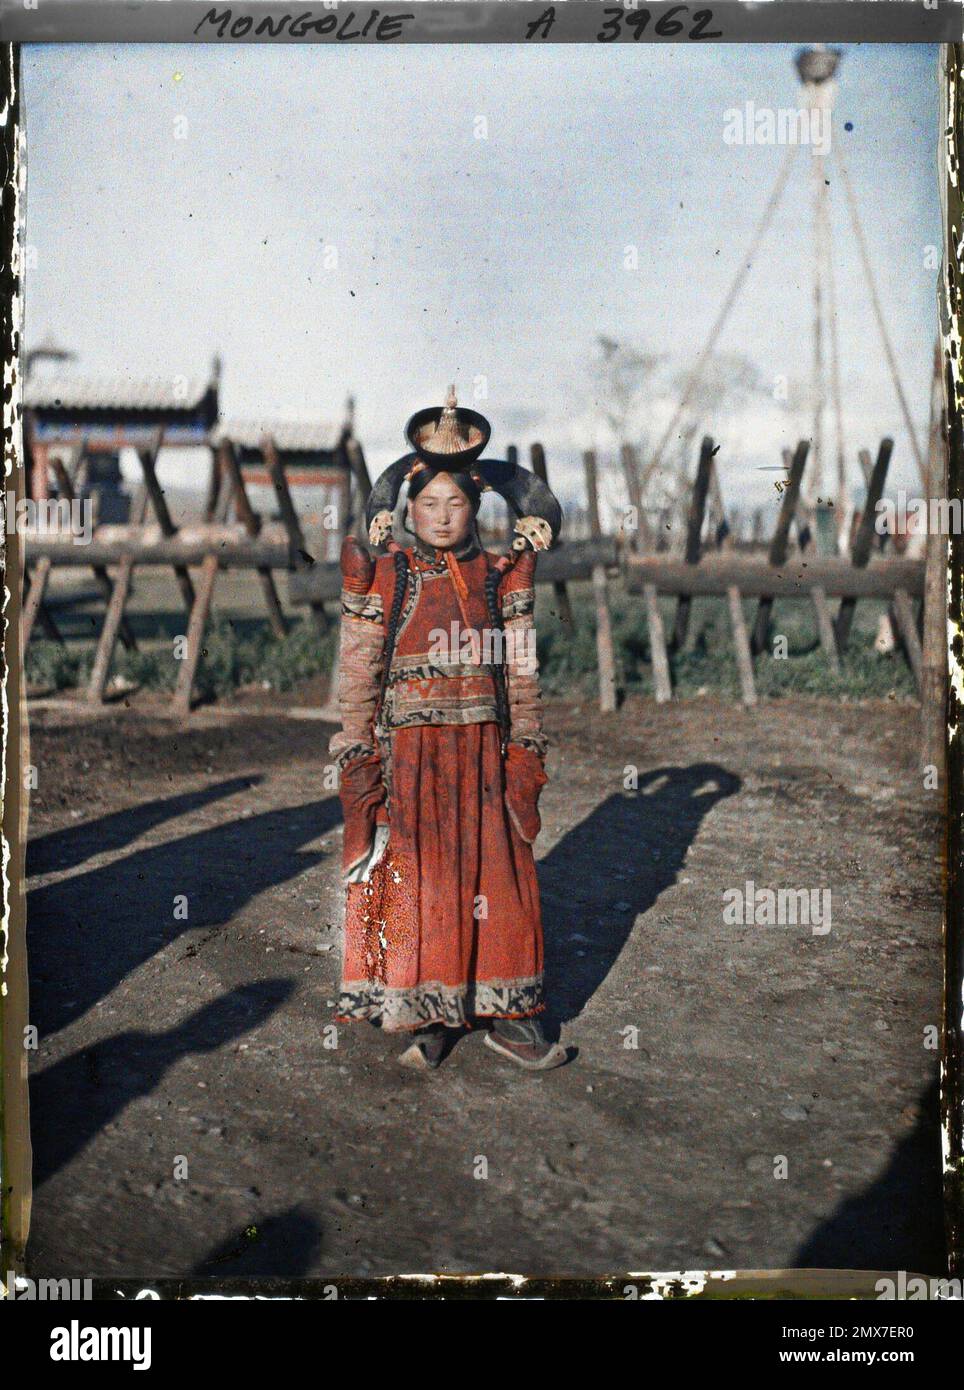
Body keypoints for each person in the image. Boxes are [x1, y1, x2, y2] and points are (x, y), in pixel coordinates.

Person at [329, 387, 567, 1071]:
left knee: (502, 878)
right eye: (427, 504)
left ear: (476, 507)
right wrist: (354, 744)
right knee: (423, 881)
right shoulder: (388, 575)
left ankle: (512, 1021)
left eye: (456, 502)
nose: (440, 515)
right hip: (413, 759)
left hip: (486, 756)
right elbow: (361, 666)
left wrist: (526, 743)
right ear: (407, 511)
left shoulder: (500, 575)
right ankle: (425, 1014)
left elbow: (520, 668)